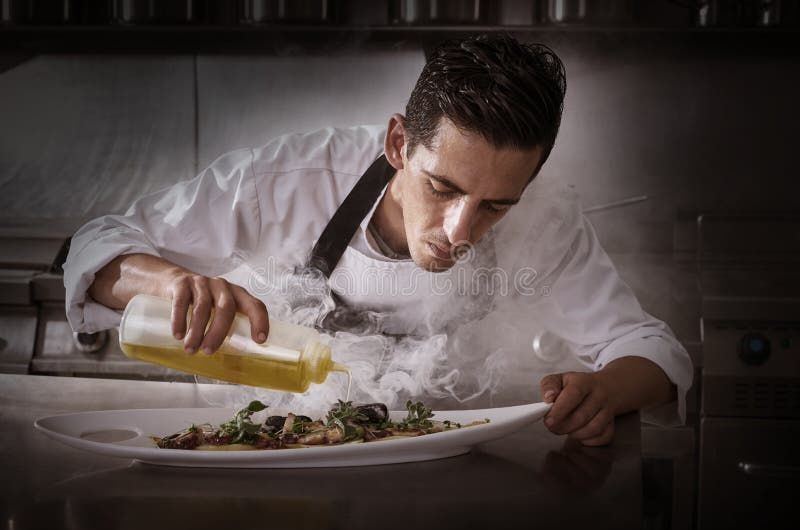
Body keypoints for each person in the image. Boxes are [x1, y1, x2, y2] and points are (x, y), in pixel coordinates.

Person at [64, 34, 693, 446]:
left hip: (447, 465)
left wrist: (605, 390)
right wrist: (173, 281)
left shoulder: (546, 218)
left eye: (496, 206)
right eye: (443, 188)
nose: (460, 232)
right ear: (397, 145)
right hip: (275, 446)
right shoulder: (288, 179)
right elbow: (95, 245)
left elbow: (651, 350)